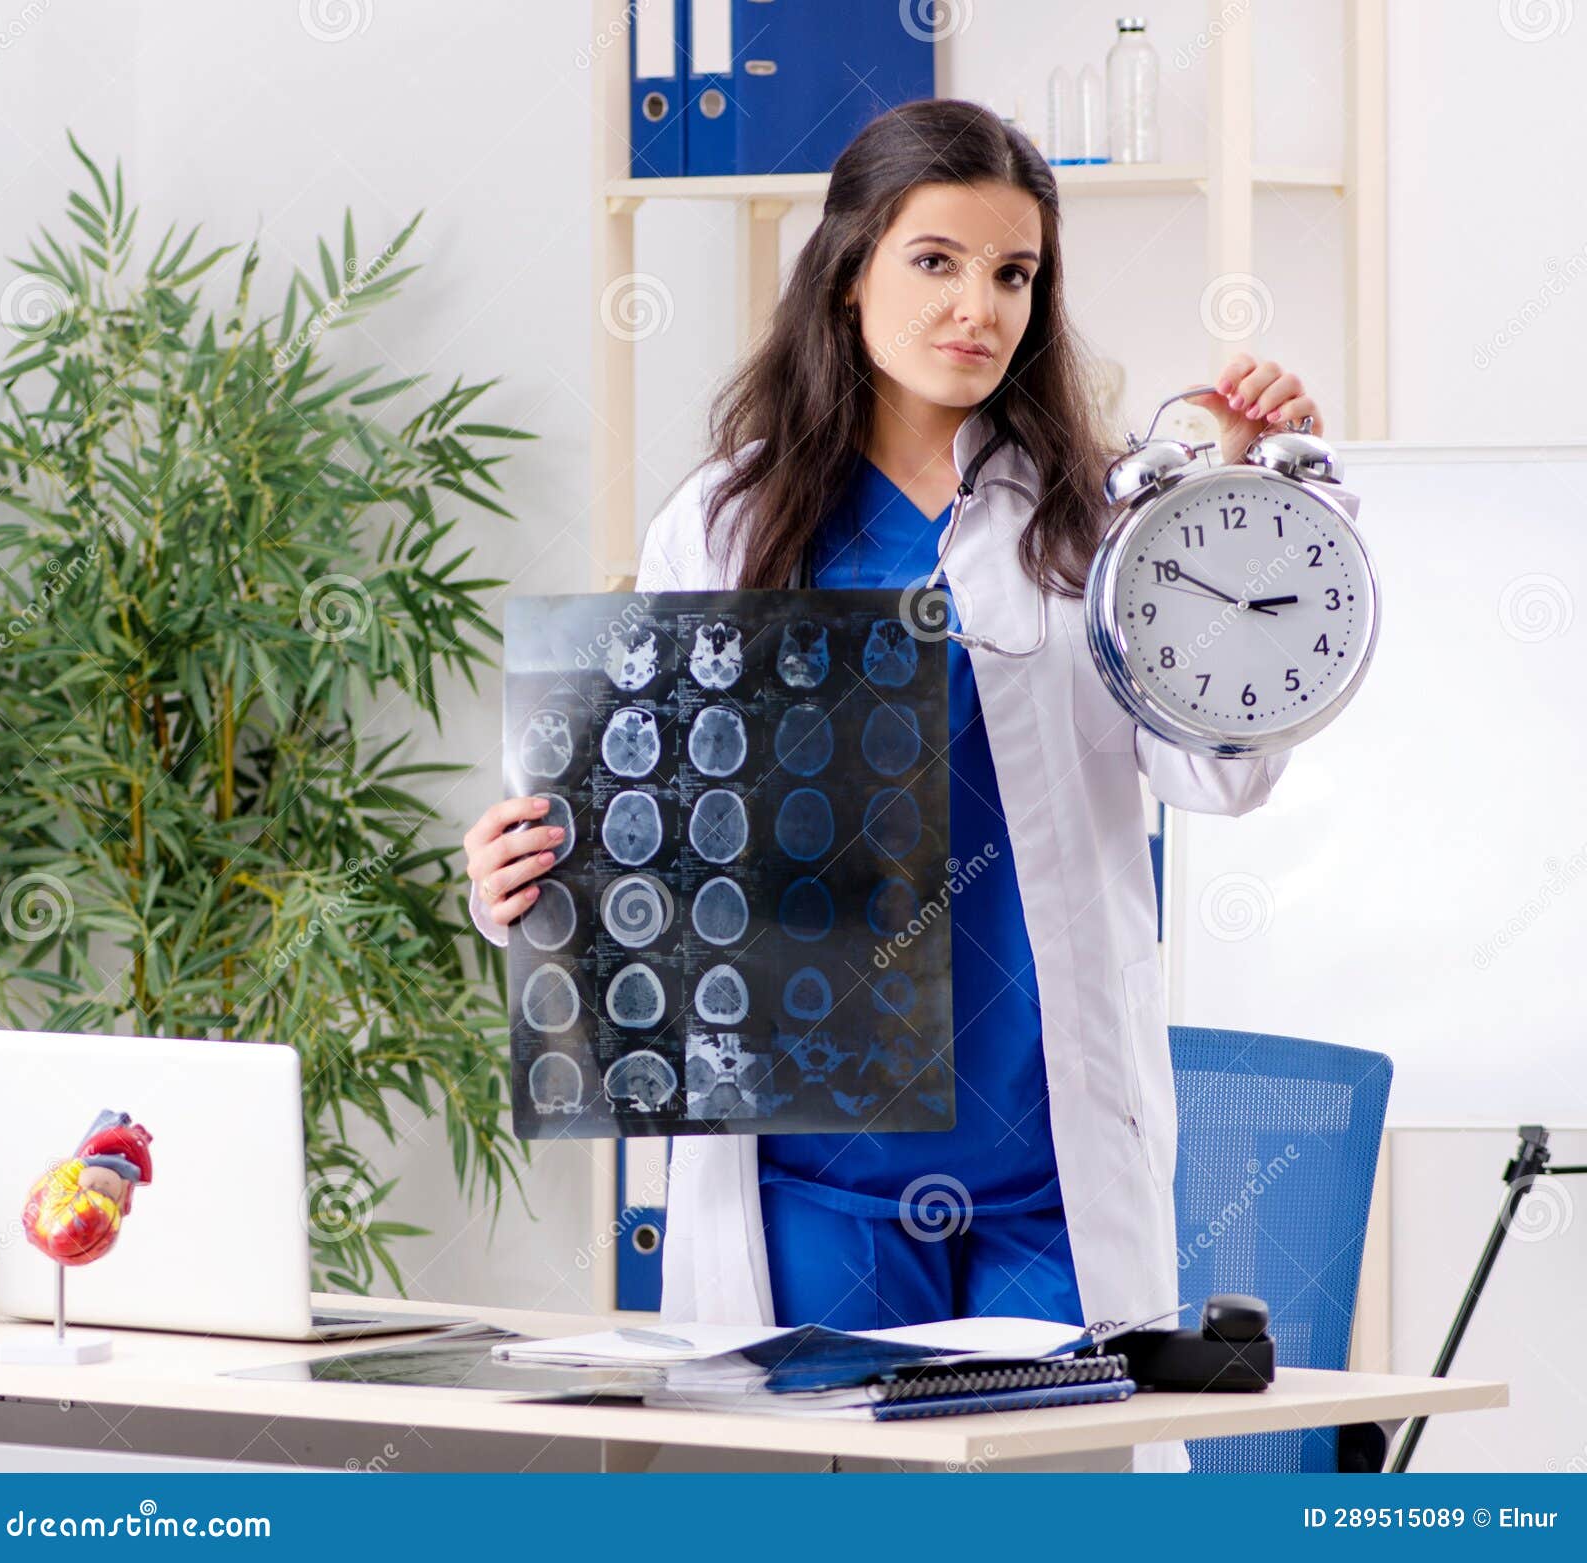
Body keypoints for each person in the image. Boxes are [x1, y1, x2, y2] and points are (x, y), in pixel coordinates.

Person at [465, 101, 1316, 1462]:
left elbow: (1220, 782)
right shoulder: (727, 524)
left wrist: (1243, 510)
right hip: (815, 1184)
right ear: (849, 268)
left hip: (1046, 1173)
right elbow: (631, 835)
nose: (978, 305)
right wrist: (516, 875)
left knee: (1058, 1516)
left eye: (1013, 274)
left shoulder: (1097, 517)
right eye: (936, 261)